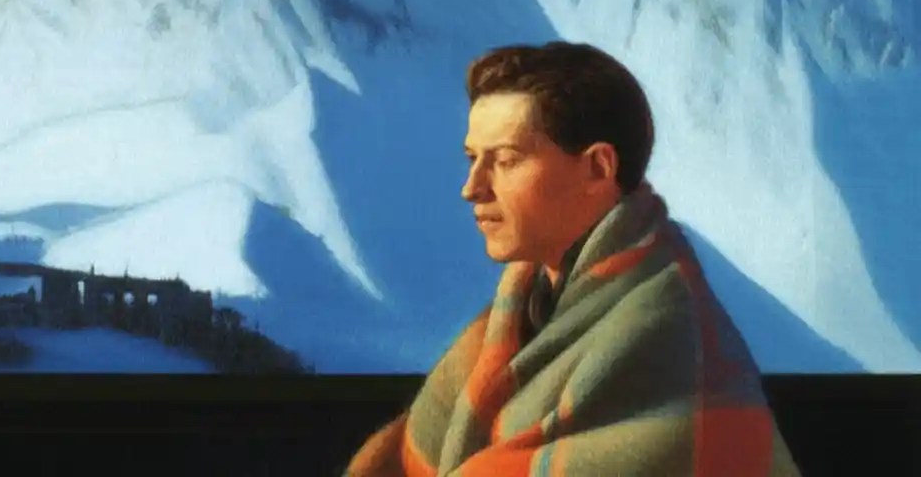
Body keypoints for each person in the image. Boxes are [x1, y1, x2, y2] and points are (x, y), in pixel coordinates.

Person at [343, 42, 801, 476]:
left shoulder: (667, 330)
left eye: (504, 161)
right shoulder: (522, 307)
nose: (472, 187)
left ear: (597, 168)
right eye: (472, 159)